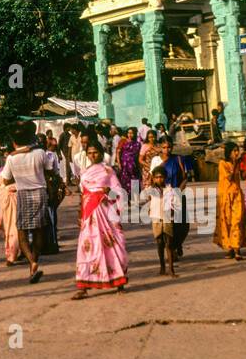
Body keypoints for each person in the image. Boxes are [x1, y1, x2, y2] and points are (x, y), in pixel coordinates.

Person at [72, 140, 128, 298]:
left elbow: (119, 194)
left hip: (106, 212)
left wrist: (109, 191)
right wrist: (80, 213)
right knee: (88, 248)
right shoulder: (84, 172)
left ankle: (119, 281)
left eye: (95, 152)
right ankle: (83, 286)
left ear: (101, 153)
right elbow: (83, 195)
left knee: (113, 244)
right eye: (89, 153)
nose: (92, 155)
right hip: (89, 214)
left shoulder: (108, 171)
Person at [0, 123, 50, 285]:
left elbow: (5, 179)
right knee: (38, 232)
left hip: (22, 193)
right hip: (40, 192)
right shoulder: (40, 153)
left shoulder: (12, 158)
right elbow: (50, 170)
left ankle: (31, 262)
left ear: (14, 141)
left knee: (22, 232)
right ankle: (34, 263)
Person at [161, 136, 196, 260]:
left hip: (178, 194)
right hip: (164, 197)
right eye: (164, 147)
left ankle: (178, 243)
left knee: (183, 225)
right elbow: (153, 180)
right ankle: (172, 250)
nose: (167, 150)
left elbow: (185, 177)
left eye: (169, 147)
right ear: (161, 148)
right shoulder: (157, 161)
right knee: (168, 226)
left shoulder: (178, 159)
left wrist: (178, 191)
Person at [139, 167, 177, 276]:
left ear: (165, 178)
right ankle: (162, 267)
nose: (159, 180)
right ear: (153, 178)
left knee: (169, 244)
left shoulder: (169, 190)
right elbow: (143, 197)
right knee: (160, 243)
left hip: (167, 218)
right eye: (156, 177)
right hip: (156, 218)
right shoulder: (150, 190)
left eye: (161, 177)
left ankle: (171, 269)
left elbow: (174, 203)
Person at [213, 141, 246, 261]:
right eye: (234, 151)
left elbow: (242, 176)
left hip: (237, 195)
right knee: (226, 222)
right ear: (229, 152)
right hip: (225, 196)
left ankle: (237, 249)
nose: (237, 153)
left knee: (236, 221)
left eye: (238, 150)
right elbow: (230, 177)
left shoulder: (237, 163)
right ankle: (230, 248)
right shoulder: (223, 163)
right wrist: (236, 163)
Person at [0, 161, 20, 265]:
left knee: (12, 228)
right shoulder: (16, 168)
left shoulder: (2, 171)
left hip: (10, 199)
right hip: (8, 199)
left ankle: (11, 255)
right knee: (12, 228)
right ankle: (13, 253)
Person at [116, 127, 141, 196]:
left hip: (134, 166)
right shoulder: (123, 141)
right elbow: (118, 153)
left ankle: (134, 199)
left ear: (135, 134)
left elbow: (138, 155)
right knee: (125, 181)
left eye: (132, 133)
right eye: (128, 133)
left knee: (134, 181)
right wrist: (119, 164)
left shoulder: (138, 143)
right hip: (124, 166)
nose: (130, 135)